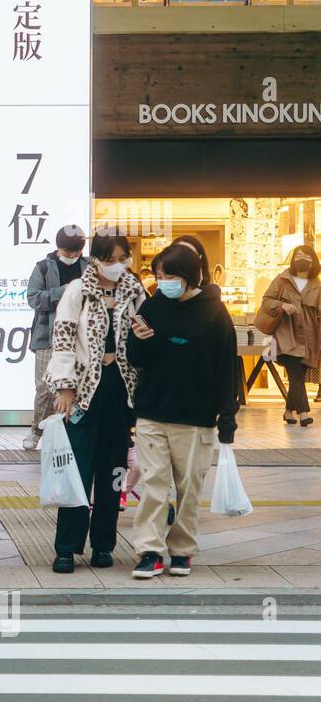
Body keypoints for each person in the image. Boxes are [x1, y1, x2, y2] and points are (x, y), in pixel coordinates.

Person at [128, 243, 239, 579]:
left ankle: (182, 550)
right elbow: (137, 360)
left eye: (170, 276)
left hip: (196, 416)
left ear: (190, 277)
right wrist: (140, 340)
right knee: (154, 485)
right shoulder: (153, 305)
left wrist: (227, 415)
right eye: (159, 276)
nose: (163, 282)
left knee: (189, 487)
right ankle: (149, 550)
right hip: (152, 410)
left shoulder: (215, 312)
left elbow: (226, 368)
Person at [45, 231, 148, 574]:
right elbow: (61, 338)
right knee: (78, 469)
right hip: (84, 391)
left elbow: (148, 336)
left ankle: (104, 544)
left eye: (122, 258)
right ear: (96, 259)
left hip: (121, 390)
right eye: (109, 259)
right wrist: (64, 386)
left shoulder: (135, 291)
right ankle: (67, 547)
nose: (117, 265)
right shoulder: (78, 291)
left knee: (113, 471)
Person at [24, 226, 88, 450]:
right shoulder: (43, 267)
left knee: (78, 387)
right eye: (68, 252)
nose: (72, 256)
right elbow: (34, 298)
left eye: (76, 252)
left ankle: (72, 433)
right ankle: (35, 431)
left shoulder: (88, 267)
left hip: (81, 337)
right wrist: (65, 291)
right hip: (47, 338)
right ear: (58, 247)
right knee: (45, 388)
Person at [258, 245, 321, 426]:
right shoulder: (282, 280)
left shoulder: (317, 285)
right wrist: (281, 306)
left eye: (306, 257)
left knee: (298, 375)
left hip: (309, 337)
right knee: (295, 372)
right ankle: (303, 413)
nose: (302, 259)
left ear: (313, 262)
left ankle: (288, 412)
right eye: (298, 256)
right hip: (286, 334)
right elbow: (266, 300)